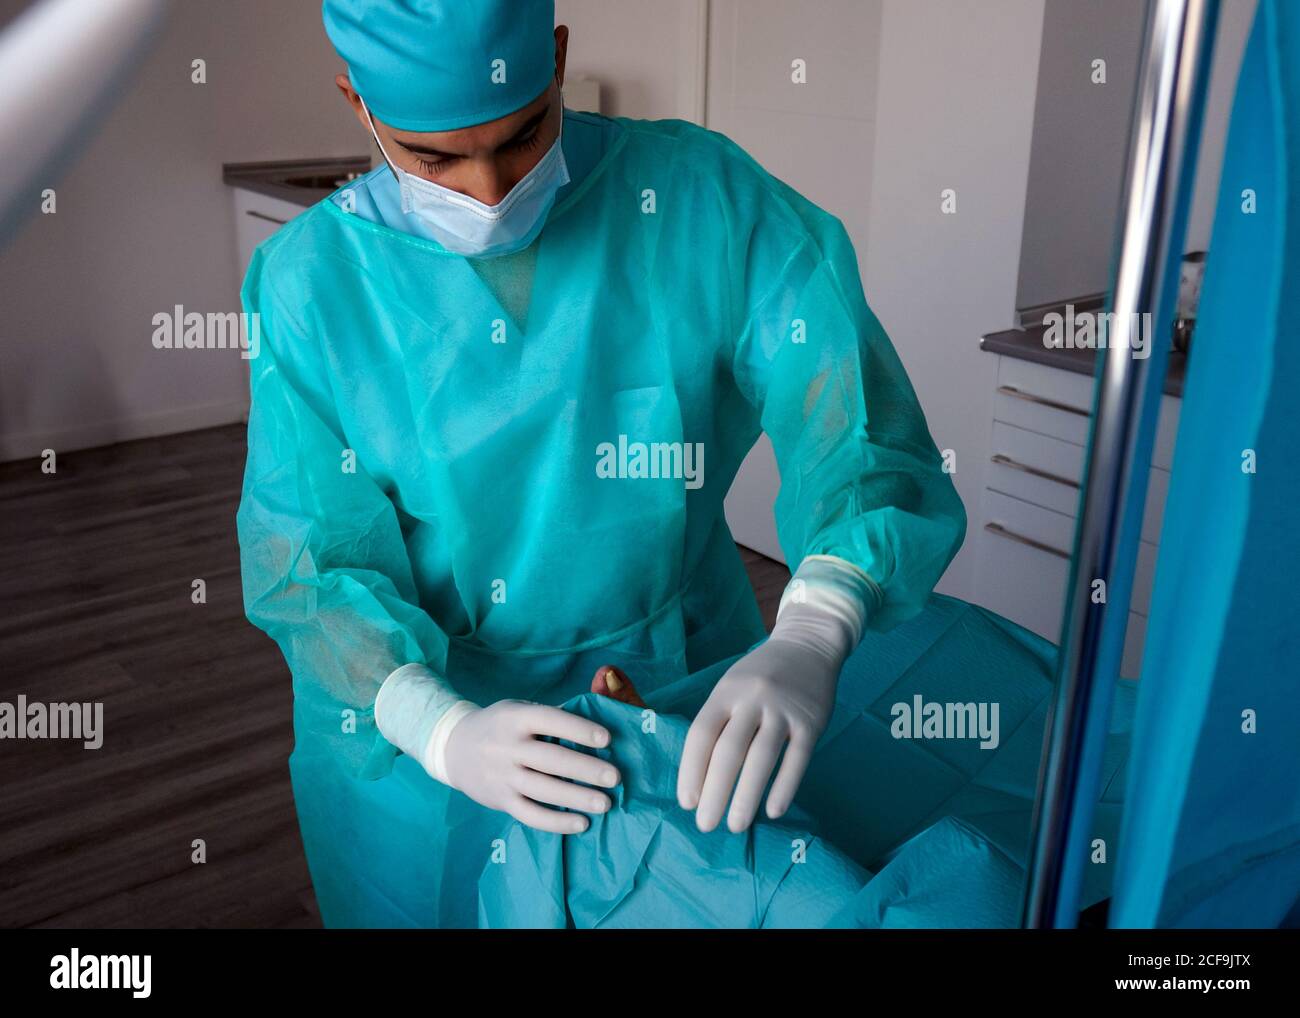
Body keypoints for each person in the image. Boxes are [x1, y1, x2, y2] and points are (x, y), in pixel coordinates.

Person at [236, 0, 966, 927]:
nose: (490, 191)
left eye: (522, 135)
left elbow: (848, 411)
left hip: (683, 686)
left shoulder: (699, 198)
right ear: (357, 103)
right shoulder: (312, 284)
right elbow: (310, 561)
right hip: (428, 746)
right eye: (435, 160)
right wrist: (438, 727)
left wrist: (818, 623)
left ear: (557, 55)